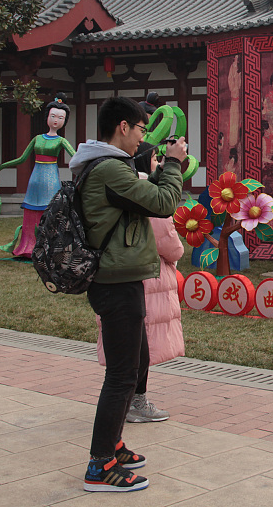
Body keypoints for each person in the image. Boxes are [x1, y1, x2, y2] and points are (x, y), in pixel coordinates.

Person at [70, 96, 187, 493]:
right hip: (115, 283)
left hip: (124, 278)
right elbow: (163, 202)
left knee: (135, 363)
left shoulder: (106, 168)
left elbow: (140, 198)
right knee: (122, 375)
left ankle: (114, 444)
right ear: (123, 126)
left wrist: (161, 170)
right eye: (140, 129)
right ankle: (99, 466)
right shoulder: (108, 169)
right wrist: (173, 164)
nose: (142, 138)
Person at [94, 142, 184, 424]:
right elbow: (167, 241)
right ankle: (135, 402)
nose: (157, 163)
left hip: (119, 276)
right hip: (146, 280)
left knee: (132, 347)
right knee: (140, 348)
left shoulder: (114, 183)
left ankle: (129, 404)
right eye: (155, 158)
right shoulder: (144, 190)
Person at [0, 95, 76, 257]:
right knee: (32, 207)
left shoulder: (61, 141)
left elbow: (75, 157)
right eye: (53, 116)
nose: (56, 120)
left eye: (60, 118)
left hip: (51, 179)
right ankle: (28, 245)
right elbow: (22, 158)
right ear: (47, 117)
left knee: (51, 208)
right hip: (35, 178)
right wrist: (1, 168)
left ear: (65, 121)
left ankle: (51, 245)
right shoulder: (37, 139)